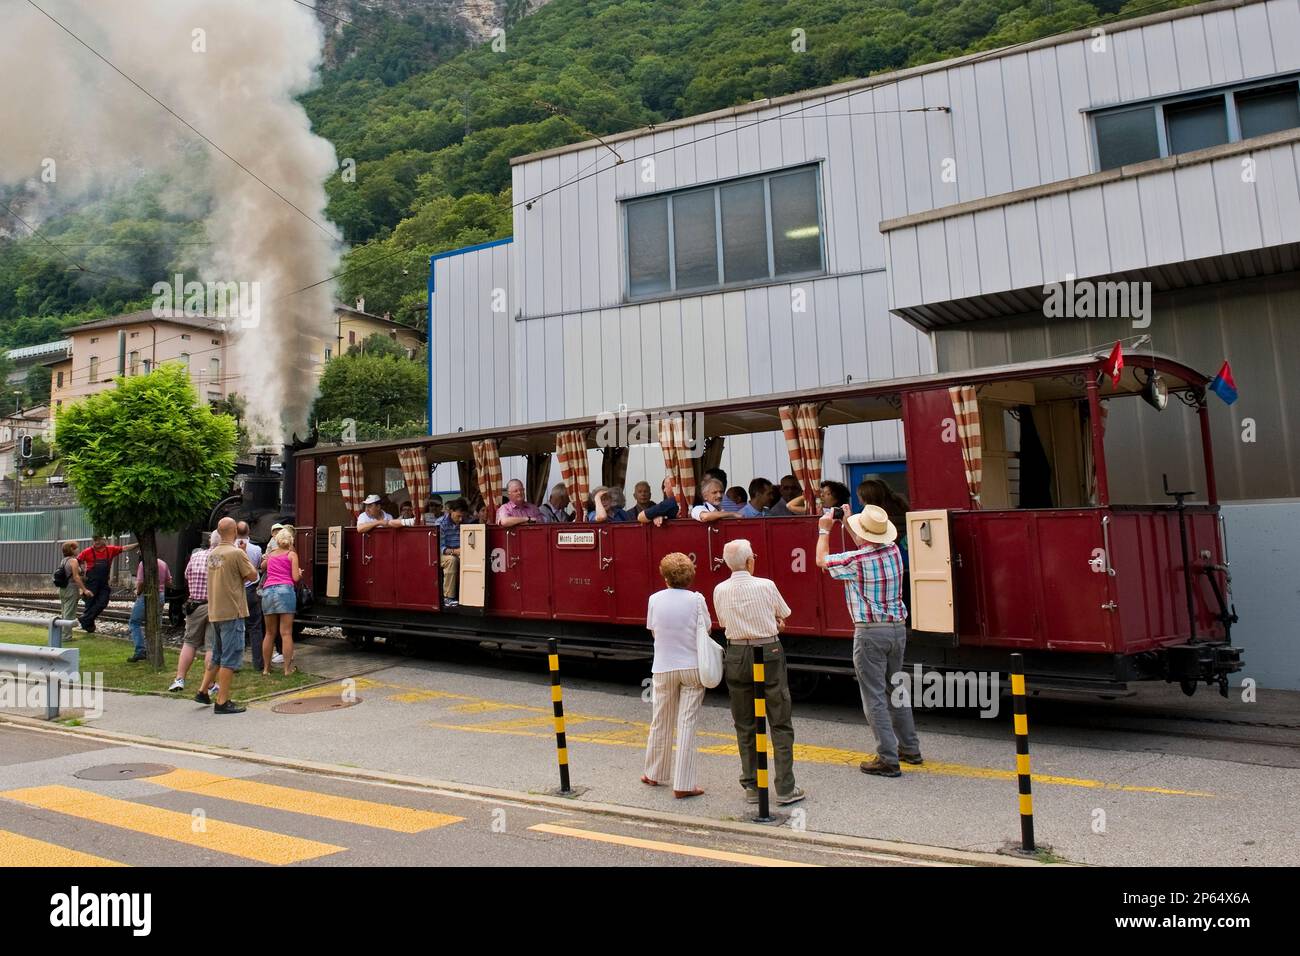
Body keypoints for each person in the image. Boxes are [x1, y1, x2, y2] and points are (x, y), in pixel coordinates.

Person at [817, 505, 920, 778]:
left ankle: (887, 757)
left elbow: (822, 560)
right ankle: (910, 748)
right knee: (895, 689)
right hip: (897, 629)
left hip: (870, 632)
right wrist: (851, 524)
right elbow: (867, 544)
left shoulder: (856, 561)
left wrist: (823, 530)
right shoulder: (894, 551)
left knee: (873, 696)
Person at [712, 539, 804, 806]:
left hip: (737, 653)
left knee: (745, 721)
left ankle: (751, 785)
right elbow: (783, 614)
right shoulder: (766, 585)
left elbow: (724, 621)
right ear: (751, 560)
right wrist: (775, 622)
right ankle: (786, 786)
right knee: (780, 718)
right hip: (769, 651)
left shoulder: (720, 589)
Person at [641, 553, 709, 799]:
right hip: (692, 666)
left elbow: (653, 632)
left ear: (665, 575)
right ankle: (684, 783)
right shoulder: (697, 600)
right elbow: (707, 628)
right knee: (687, 723)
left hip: (663, 666)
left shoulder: (654, 599)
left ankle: (654, 772)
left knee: (661, 718)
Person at [195, 517, 258, 714]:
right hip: (232, 611)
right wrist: (245, 555)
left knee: (218, 654)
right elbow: (253, 576)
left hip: (216, 611)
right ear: (234, 532)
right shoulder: (237, 553)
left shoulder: (213, 554)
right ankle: (222, 701)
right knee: (230, 657)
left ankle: (203, 690)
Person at [169, 531, 220, 694]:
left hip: (194, 605)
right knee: (211, 647)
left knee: (189, 642)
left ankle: (179, 678)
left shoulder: (196, 556)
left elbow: (186, 575)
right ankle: (210, 684)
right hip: (213, 605)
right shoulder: (218, 558)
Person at [260, 527, 301, 677]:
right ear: (290, 541)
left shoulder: (270, 555)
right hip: (285, 592)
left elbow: (263, 567)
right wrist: (300, 573)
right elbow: (295, 578)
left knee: (269, 633)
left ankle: (266, 668)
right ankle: (287, 669)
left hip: (268, 591)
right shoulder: (292, 555)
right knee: (286, 633)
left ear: (277, 541)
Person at [77, 535, 139, 632]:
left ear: (104, 540)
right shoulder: (87, 551)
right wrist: (81, 572)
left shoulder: (110, 550)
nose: (96, 542)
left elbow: (125, 548)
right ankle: (89, 626)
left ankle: (85, 618)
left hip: (104, 582)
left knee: (103, 602)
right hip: (91, 582)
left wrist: (139, 544)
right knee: (90, 604)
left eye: (98, 540)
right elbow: (77, 561)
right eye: (94, 540)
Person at [127, 555, 171, 663]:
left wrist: (138, 592)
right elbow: (169, 582)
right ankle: (155, 651)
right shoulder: (163, 563)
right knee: (156, 624)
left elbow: (141, 582)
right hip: (160, 595)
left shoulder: (143, 564)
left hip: (146, 595)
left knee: (134, 622)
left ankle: (140, 650)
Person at [235, 521, 265, 671]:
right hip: (251, 590)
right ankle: (258, 663)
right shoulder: (256, 549)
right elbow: (259, 566)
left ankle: (234, 663)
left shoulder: (229, 548)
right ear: (249, 532)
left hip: (234, 591)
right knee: (255, 628)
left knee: (235, 627)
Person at [857, 479, 910, 554]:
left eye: (859, 496)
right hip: (903, 549)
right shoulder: (900, 505)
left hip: (886, 552)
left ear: (865, 497)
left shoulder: (873, 516)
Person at [437, 497, 469, 607]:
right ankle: (448, 597)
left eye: (462, 516)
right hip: (441, 555)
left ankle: (468, 595)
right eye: (458, 516)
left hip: (459, 552)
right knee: (452, 561)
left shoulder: (465, 521)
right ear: (451, 511)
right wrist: (455, 551)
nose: (460, 519)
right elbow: (440, 547)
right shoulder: (440, 523)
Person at [56, 541, 92, 637]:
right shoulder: (73, 561)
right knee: (69, 612)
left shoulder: (64, 560)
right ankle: (66, 636)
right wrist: (84, 589)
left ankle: (64, 634)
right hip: (71, 588)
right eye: (76, 548)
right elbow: (76, 577)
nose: (78, 550)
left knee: (64, 611)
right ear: (72, 549)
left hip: (63, 588)